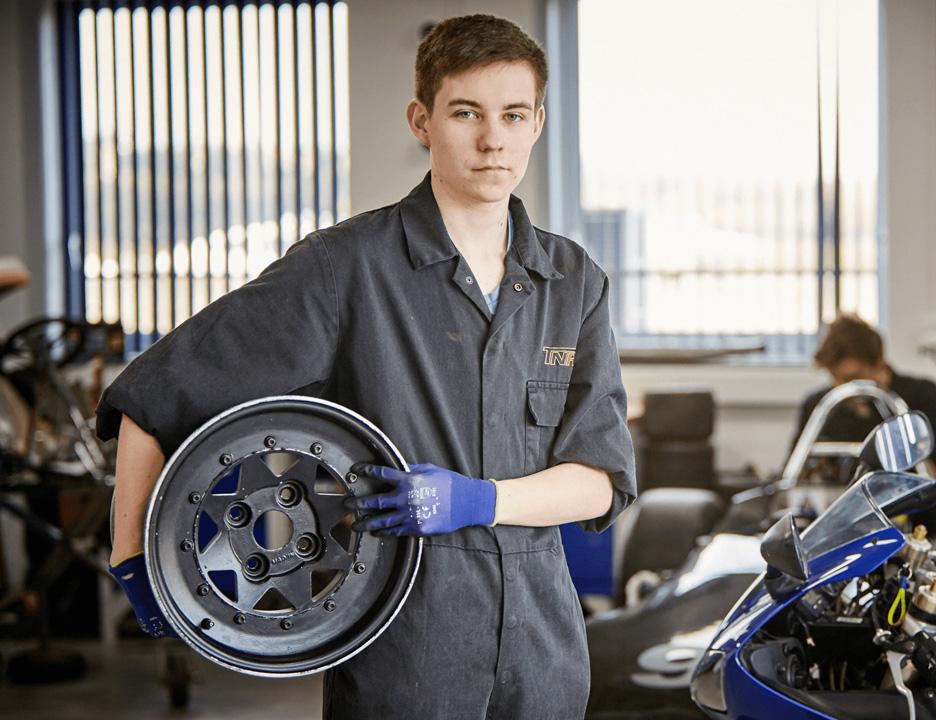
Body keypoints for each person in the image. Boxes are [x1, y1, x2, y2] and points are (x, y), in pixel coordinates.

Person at [98, 15, 635, 719]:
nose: (491, 138)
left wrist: (480, 502)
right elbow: (158, 392)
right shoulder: (345, 268)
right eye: (466, 113)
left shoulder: (574, 280)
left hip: (545, 655)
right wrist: (131, 553)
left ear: (537, 123)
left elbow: (601, 481)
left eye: (512, 115)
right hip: (404, 653)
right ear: (423, 120)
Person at [791, 314, 936, 516]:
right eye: (835, 378)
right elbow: (797, 480)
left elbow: (934, 477)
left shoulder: (922, 396)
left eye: (852, 377)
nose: (843, 388)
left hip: (911, 519)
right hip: (837, 521)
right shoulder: (820, 406)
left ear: (879, 363)